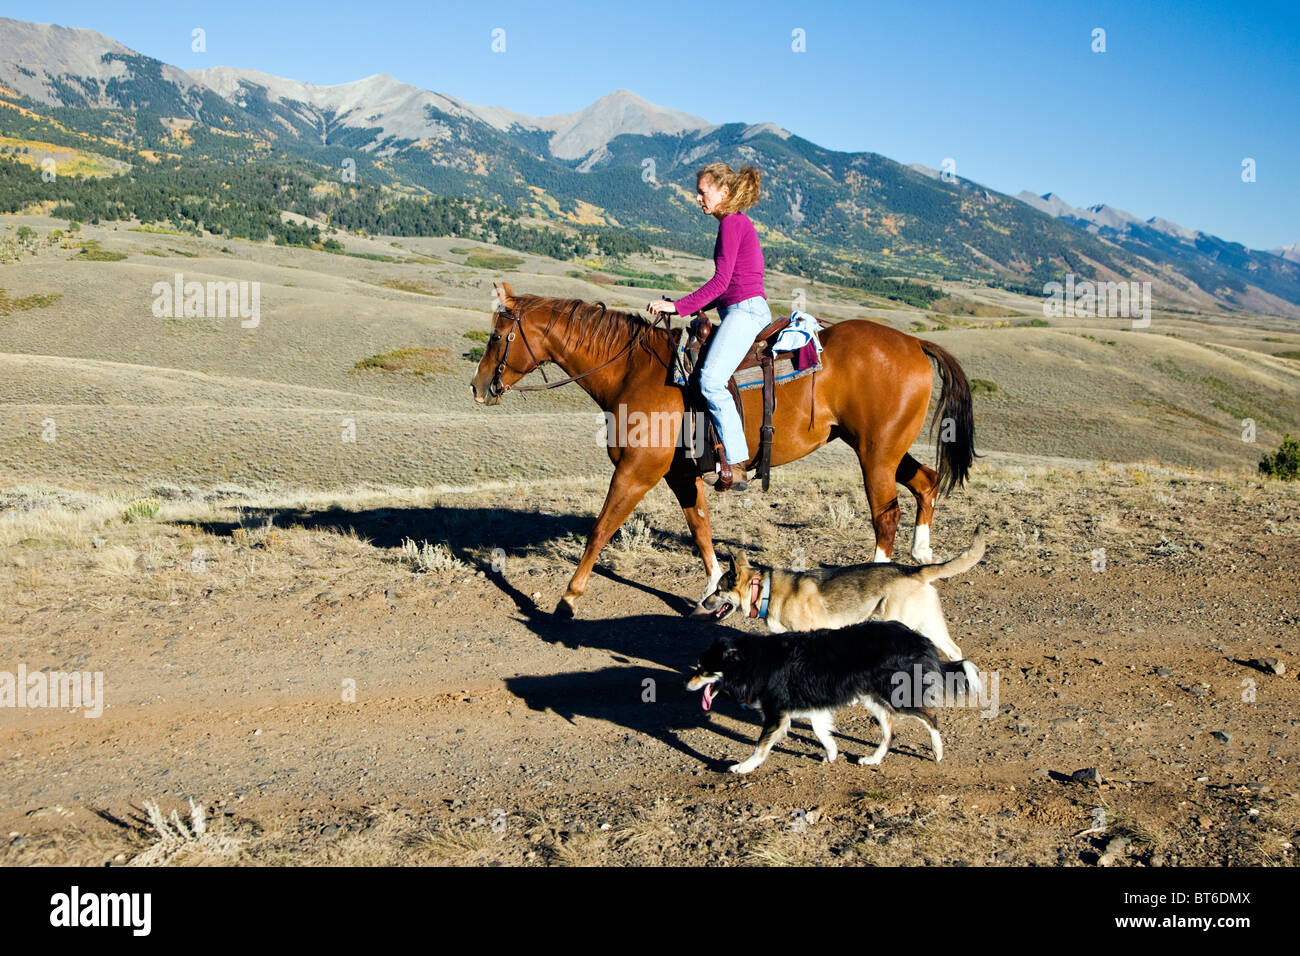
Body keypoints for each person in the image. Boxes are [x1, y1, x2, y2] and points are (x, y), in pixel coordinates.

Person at [648, 162, 769, 491]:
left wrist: (678, 306)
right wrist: (692, 306)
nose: (697, 198)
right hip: (739, 307)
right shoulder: (735, 223)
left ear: (723, 192)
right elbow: (728, 287)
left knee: (711, 381)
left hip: (745, 311)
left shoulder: (731, 224)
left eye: (703, 192)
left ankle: (737, 459)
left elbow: (720, 282)